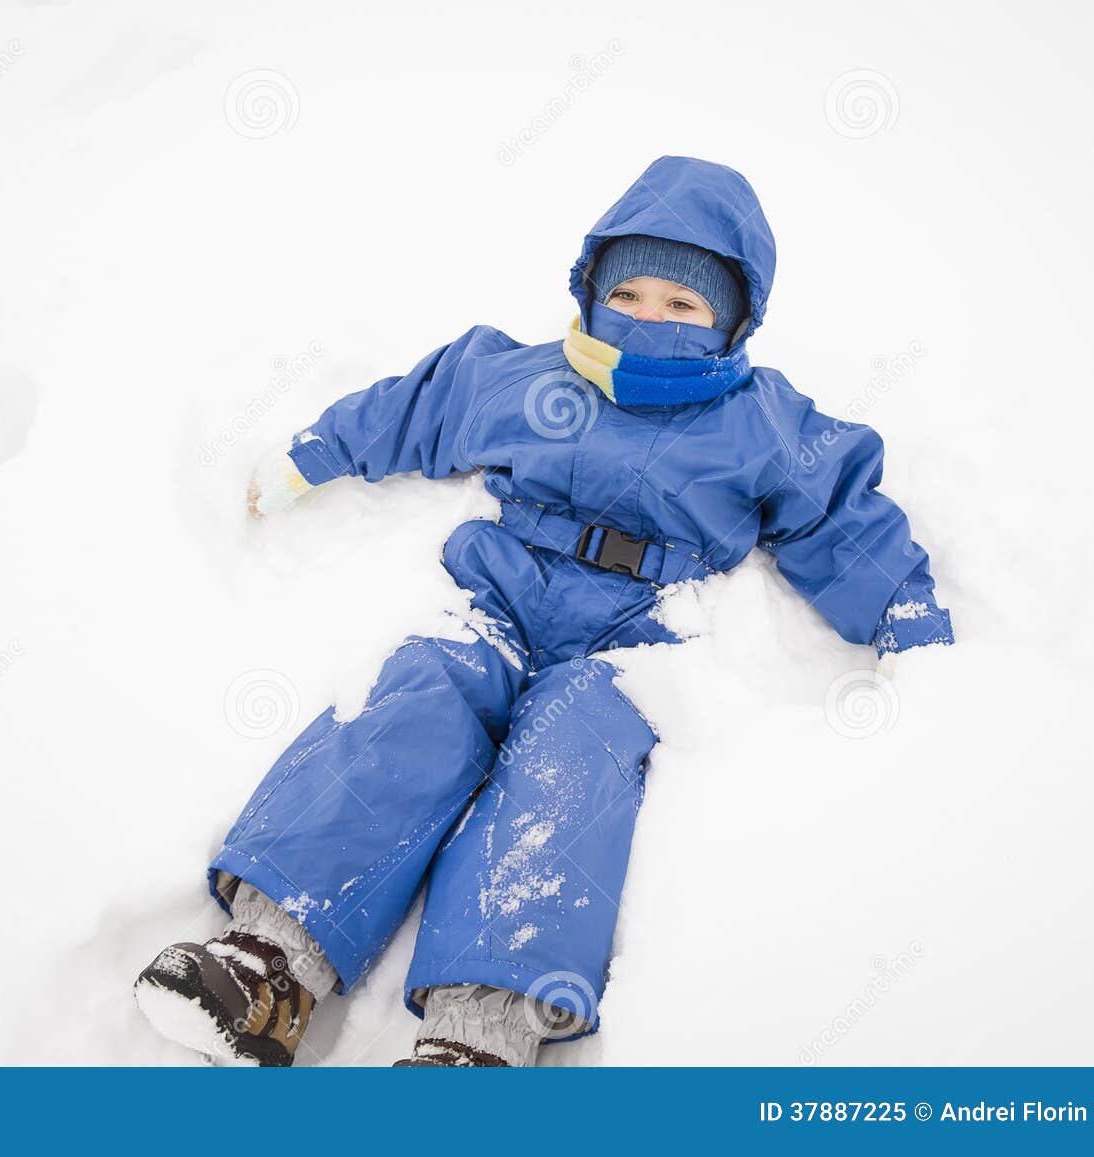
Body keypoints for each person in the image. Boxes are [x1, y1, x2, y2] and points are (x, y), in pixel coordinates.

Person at [134, 156, 954, 1067]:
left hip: (637, 629)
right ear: (591, 289)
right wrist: (315, 455)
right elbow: (422, 405)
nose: (649, 320)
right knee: (417, 697)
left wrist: (910, 628)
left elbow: (843, 520)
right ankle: (267, 956)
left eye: (683, 308)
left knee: (570, 763)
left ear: (732, 321)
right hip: (502, 587)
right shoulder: (526, 376)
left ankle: (479, 1032)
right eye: (631, 293)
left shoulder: (764, 421)